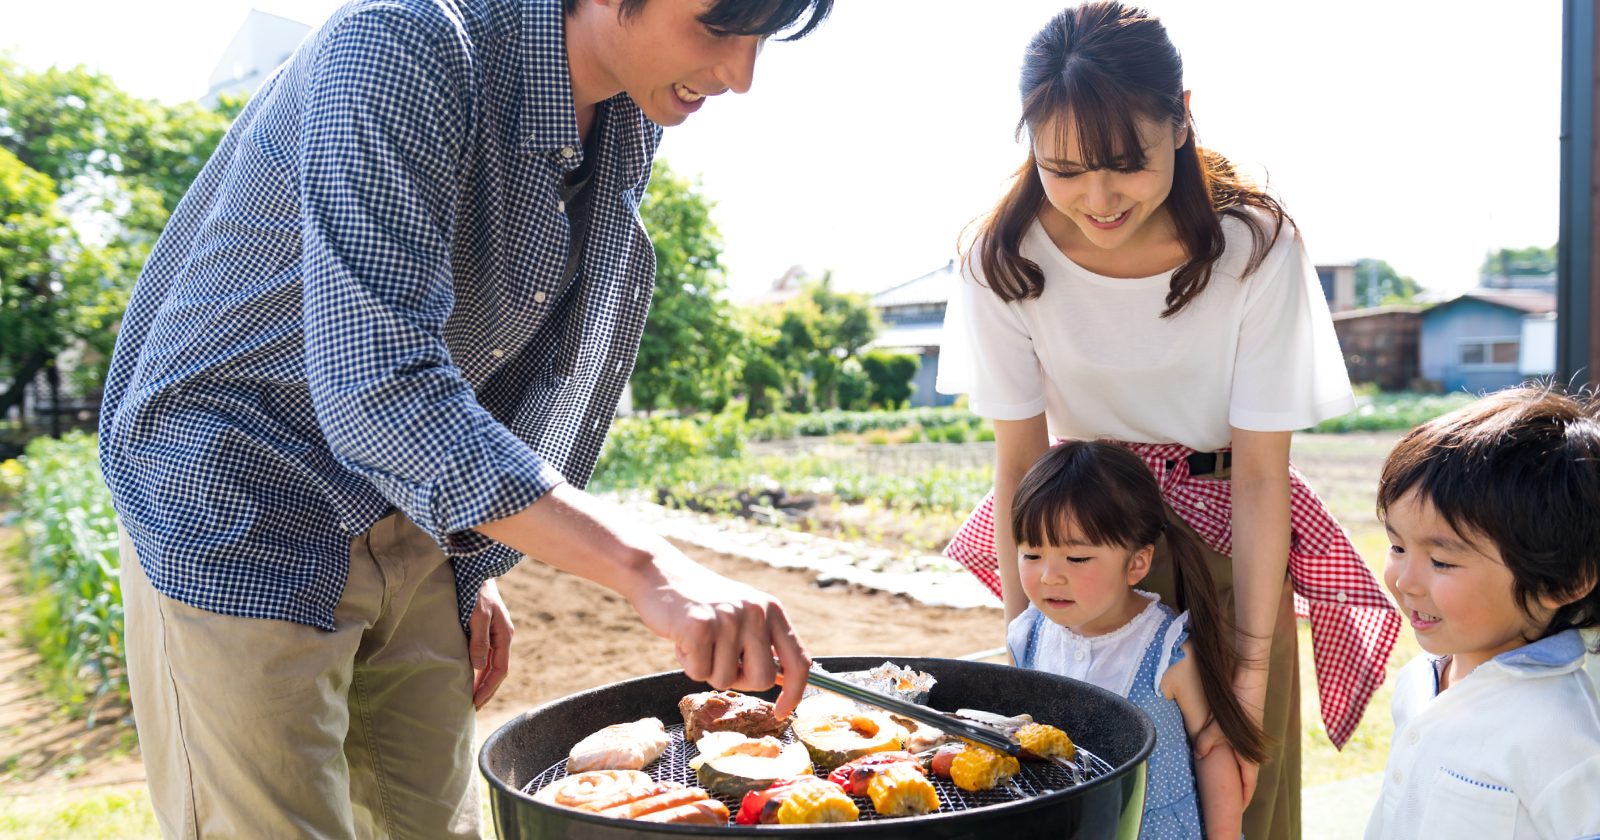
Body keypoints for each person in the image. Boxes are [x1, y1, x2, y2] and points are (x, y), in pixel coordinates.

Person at [96, 0, 832, 836]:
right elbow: (380, 386)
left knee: (437, 828)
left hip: (404, 509)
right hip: (237, 494)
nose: (741, 75)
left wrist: (464, 549)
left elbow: (501, 354)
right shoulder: (404, 43)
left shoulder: (628, 113)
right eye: (716, 26)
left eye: (763, 37)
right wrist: (650, 570)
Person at [935, 3, 1400, 837]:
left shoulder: (1252, 244)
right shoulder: (1000, 261)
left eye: (1124, 163)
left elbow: (1261, 475)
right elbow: (1018, 467)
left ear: (1182, 118)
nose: (1098, 198)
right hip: (1087, 551)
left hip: (1230, 555)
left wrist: (1246, 688)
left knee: (1238, 808)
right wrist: (1027, 642)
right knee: (1083, 804)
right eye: (1063, 168)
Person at [1365, 385, 1600, 839]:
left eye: (1442, 561)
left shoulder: (1561, 729)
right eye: (1397, 546)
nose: (1406, 581)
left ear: (1561, 581)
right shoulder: (1420, 679)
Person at [1007, 441, 1267, 838]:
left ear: (1137, 563)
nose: (1049, 577)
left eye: (1076, 559)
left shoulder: (1167, 653)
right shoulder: (1027, 637)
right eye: (1031, 554)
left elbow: (1212, 749)